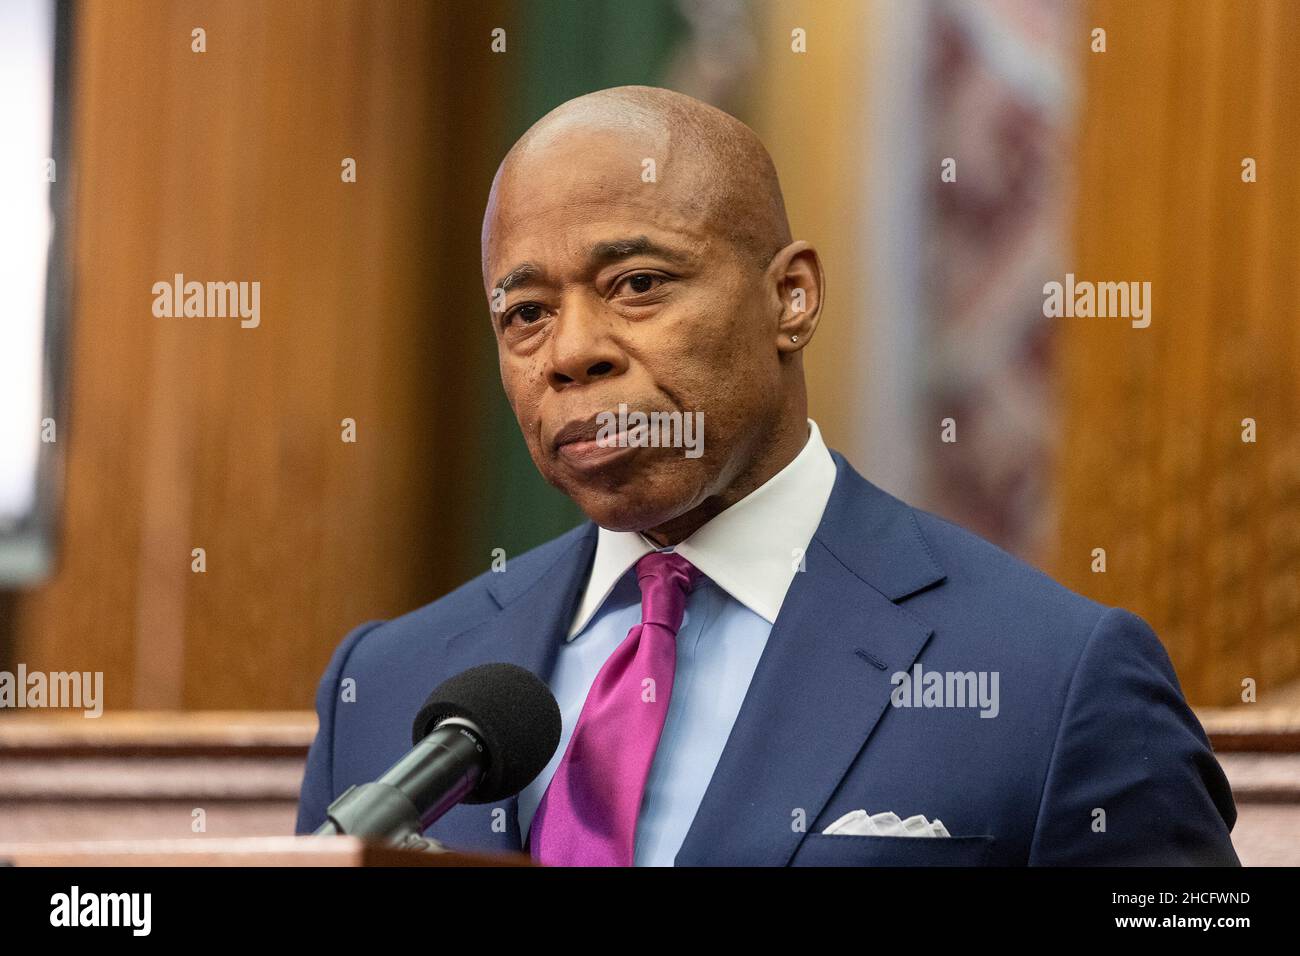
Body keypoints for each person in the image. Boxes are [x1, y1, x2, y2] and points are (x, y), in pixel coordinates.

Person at [296, 85, 1238, 866]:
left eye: (638, 285)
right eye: (527, 313)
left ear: (792, 297)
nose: (573, 352)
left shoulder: (1056, 680)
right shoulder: (386, 688)